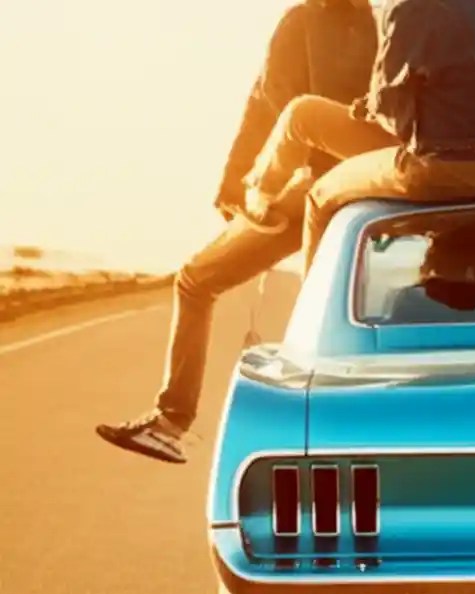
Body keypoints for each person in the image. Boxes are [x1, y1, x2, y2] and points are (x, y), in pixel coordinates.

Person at [95, 0, 378, 464]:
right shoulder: (389, 16)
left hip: (318, 186)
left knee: (195, 279)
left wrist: (234, 182)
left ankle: (171, 422)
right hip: (383, 181)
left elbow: (268, 103)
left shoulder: (304, 21)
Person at [240, 0, 475, 275]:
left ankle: (309, 318)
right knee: (304, 114)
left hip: (446, 167)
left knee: (320, 193)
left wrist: (368, 109)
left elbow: (389, 106)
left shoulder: (412, 7)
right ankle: (261, 194)